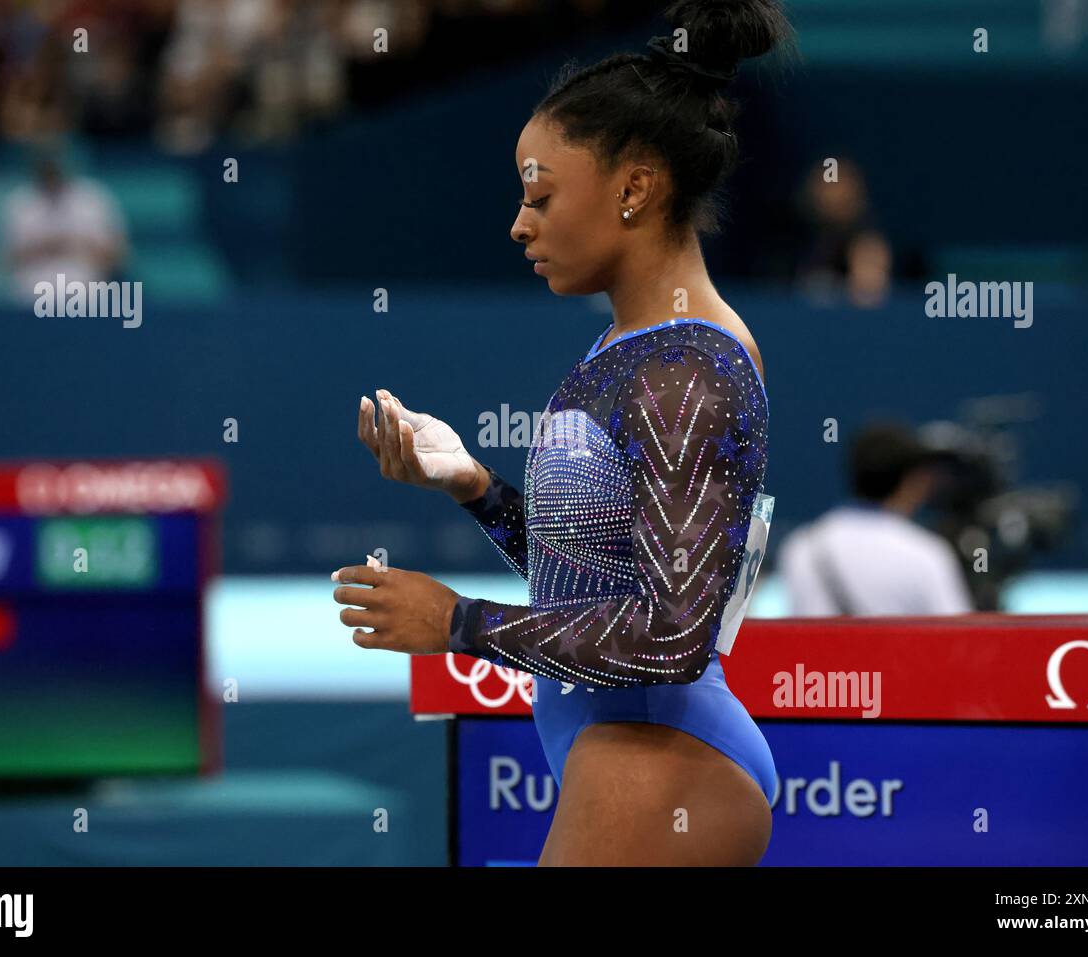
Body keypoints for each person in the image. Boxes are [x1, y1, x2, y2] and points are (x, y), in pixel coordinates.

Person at [332, 0, 792, 866]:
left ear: (634, 186)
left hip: (662, 758)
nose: (519, 224)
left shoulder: (687, 369)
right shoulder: (634, 343)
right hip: (629, 752)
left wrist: (458, 621)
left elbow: (671, 634)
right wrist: (475, 486)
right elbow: (599, 575)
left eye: (541, 196)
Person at [777, 421, 974, 616]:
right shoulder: (926, 555)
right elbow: (957, 640)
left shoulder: (800, 547)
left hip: (813, 649)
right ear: (909, 480)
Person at [0, 147, 127, 301]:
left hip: (86, 293)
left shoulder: (94, 198)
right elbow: (4, 261)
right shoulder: (18, 202)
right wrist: (45, 247)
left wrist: (76, 244)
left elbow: (119, 256)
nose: (52, 174)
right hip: (30, 294)